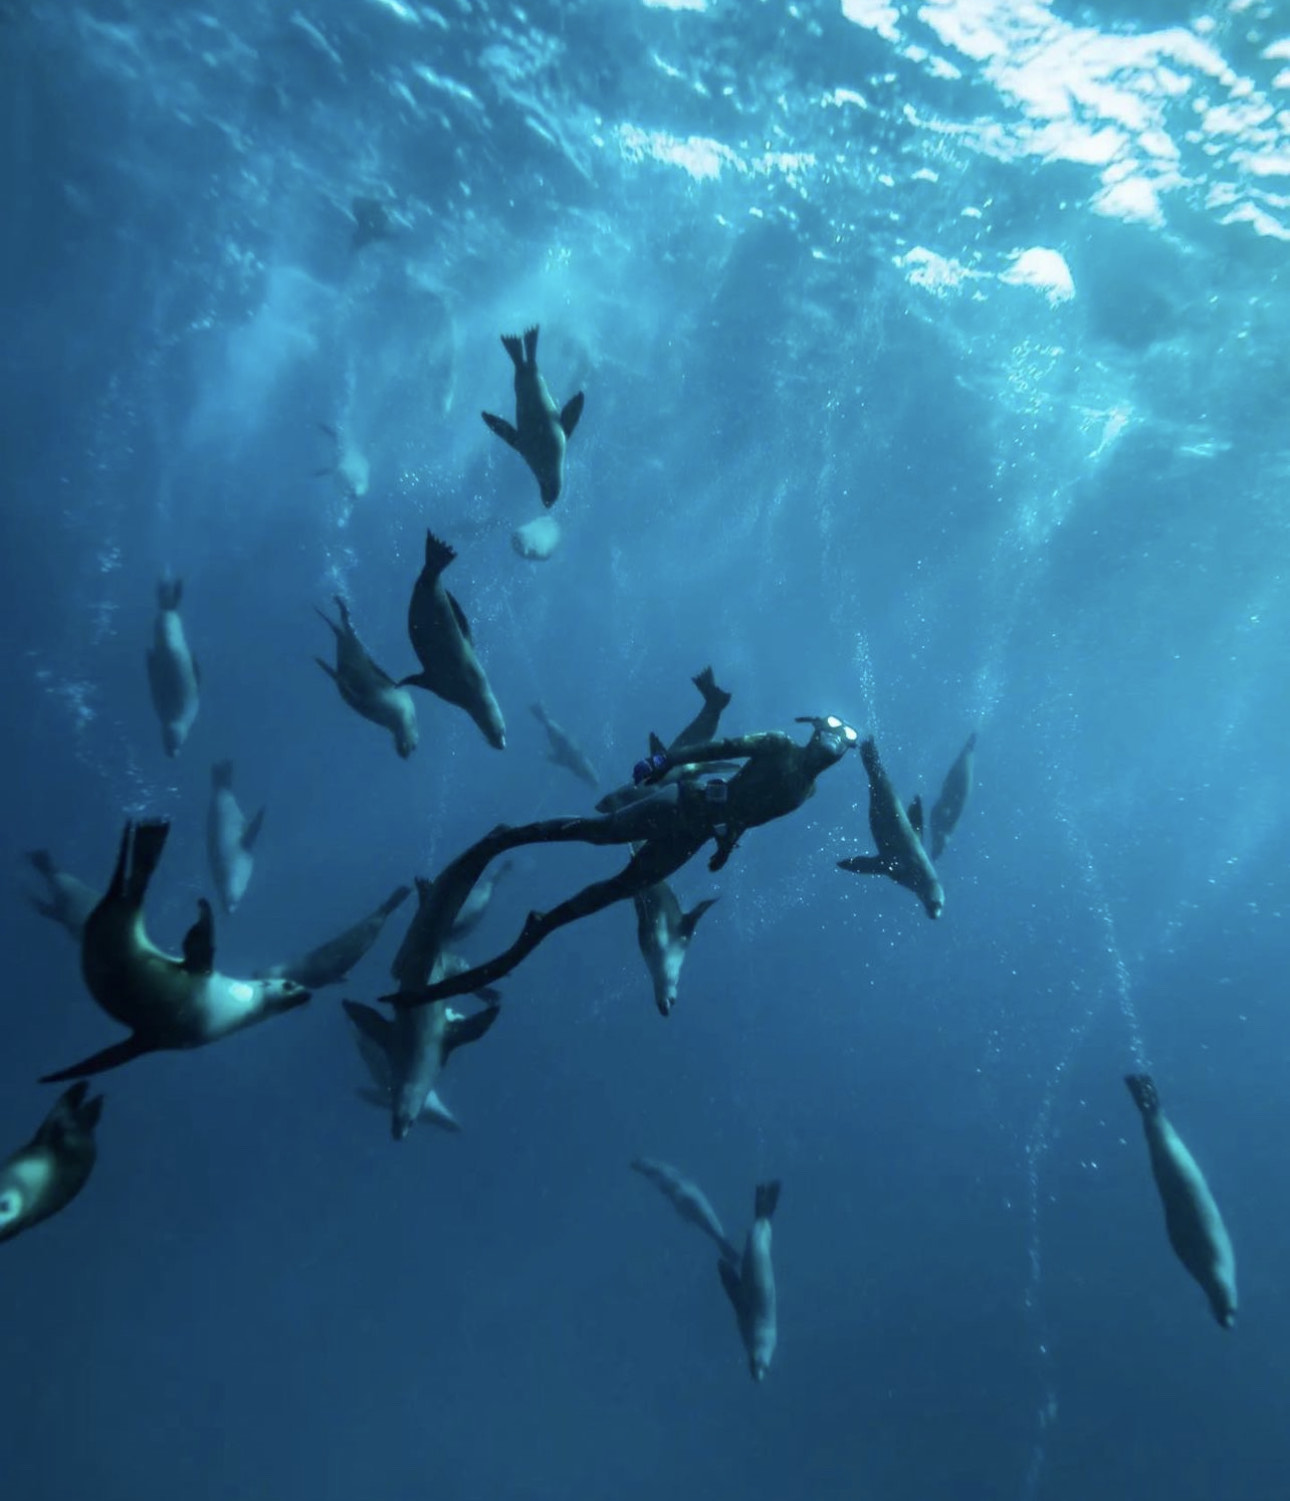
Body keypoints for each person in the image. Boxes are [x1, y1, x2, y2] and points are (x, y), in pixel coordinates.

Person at [385, 716, 860, 1009]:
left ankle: (543, 924)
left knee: (621, 887)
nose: (829, 751)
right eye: (829, 741)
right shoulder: (778, 745)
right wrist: (662, 762)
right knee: (600, 834)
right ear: (816, 734)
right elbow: (719, 749)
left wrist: (723, 846)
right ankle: (509, 840)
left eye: (837, 750)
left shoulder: (805, 791)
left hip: (696, 835)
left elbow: (750, 816)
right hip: (684, 803)